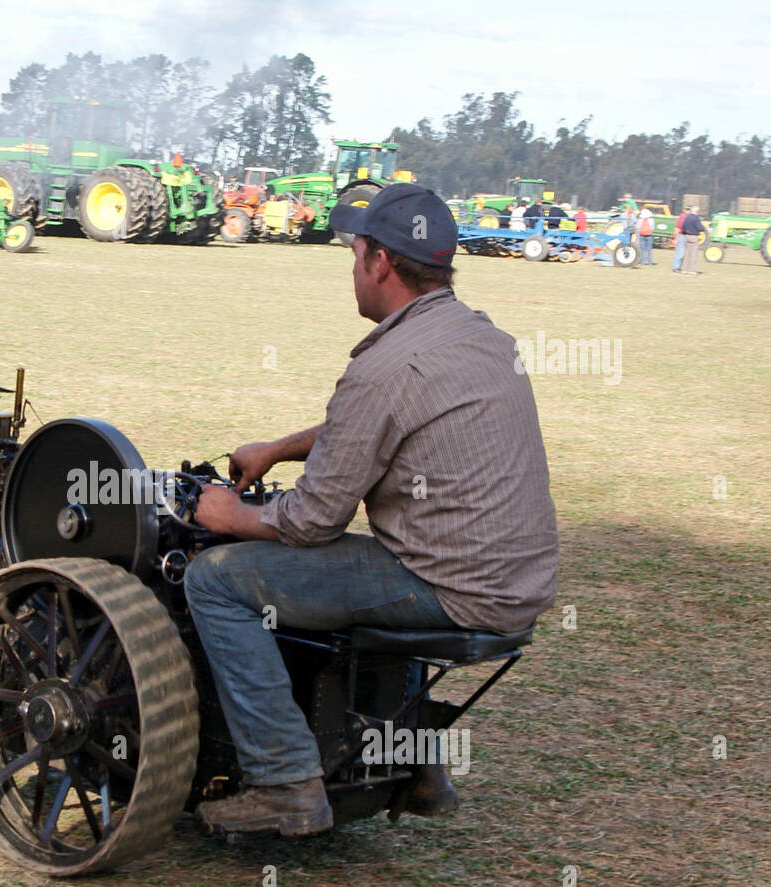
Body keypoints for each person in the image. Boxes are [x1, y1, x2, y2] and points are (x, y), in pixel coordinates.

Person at [185, 183, 559, 838]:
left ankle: (284, 784)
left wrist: (227, 517)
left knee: (214, 581)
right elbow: (371, 429)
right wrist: (278, 449)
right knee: (389, 551)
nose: (352, 269)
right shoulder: (482, 338)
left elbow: (309, 521)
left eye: (354, 254)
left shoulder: (384, 367)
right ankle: (414, 761)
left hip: (455, 589)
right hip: (516, 582)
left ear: (379, 262)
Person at [680, 206, 705, 274]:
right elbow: (700, 228)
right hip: (694, 236)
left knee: (687, 253)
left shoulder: (687, 217)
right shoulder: (696, 218)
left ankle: (684, 269)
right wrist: (702, 228)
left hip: (687, 236)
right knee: (693, 254)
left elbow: (683, 227)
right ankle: (692, 270)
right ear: (697, 211)